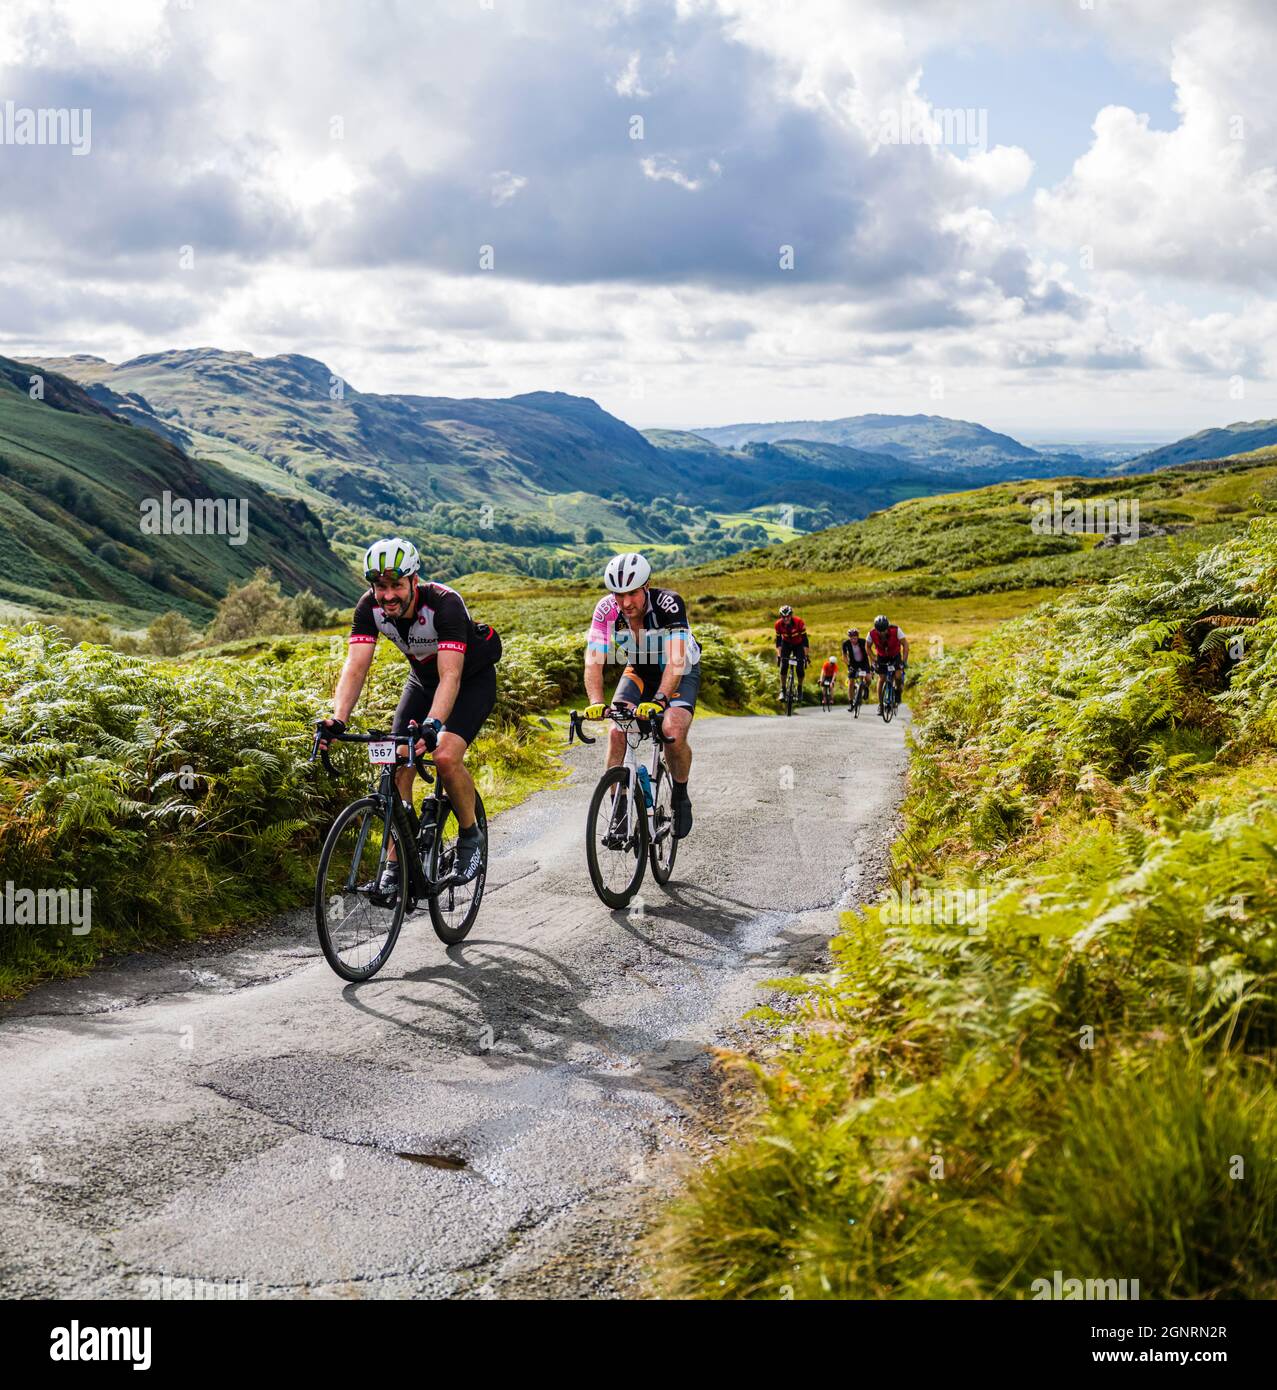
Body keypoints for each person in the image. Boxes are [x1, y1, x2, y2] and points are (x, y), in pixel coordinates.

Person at [316, 537, 501, 891]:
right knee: (397, 760)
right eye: (380, 586)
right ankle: (395, 864)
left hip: (469, 680)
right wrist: (338, 719)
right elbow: (355, 668)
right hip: (422, 681)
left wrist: (432, 727)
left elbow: (451, 676)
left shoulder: (445, 604)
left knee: (445, 755)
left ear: (414, 581)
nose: (388, 595)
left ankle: (470, 834)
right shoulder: (368, 609)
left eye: (397, 585)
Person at [582, 552, 700, 838]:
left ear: (646, 586)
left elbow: (675, 662)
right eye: (618, 594)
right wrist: (596, 702)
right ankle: (619, 811)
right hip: (639, 668)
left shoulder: (668, 604)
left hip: (680, 668)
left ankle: (680, 794)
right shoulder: (606, 610)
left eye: (632, 593)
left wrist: (660, 700)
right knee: (616, 731)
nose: (625, 603)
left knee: (671, 728)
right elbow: (593, 660)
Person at [867, 614, 909, 705]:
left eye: (884, 630)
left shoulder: (896, 630)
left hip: (895, 656)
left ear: (887, 627)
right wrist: (873, 658)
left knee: (898, 676)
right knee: (882, 679)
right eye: (879, 631)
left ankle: (898, 691)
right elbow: (867, 647)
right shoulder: (871, 633)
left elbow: (905, 644)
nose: (882, 633)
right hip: (881, 657)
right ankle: (880, 704)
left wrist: (904, 661)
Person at [774, 605, 809, 701]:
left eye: (788, 616)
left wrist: (806, 655)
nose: (786, 619)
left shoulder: (799, 622)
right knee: (784, 666)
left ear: (791, 615)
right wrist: (779, 655)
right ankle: (783, 689)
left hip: (798, 644)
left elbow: (805, 640)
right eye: (783, 617)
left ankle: (800, 688)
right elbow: (778, 642)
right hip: (786, 644)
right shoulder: (778, 624)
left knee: (800, 668)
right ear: (781, 616)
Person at [842, 627, 871, 710]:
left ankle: (865, 688)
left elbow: (868, 653)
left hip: (864, 663)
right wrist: (848, 665)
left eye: (855, 638)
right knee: (851, 682)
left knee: (868, 679)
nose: (853, 640)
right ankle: (851, 703)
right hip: (853, 664)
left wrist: (872, 664)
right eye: (851, 638)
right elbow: (844, 656)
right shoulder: (846, 644)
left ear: (858, 637)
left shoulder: (863, 642)